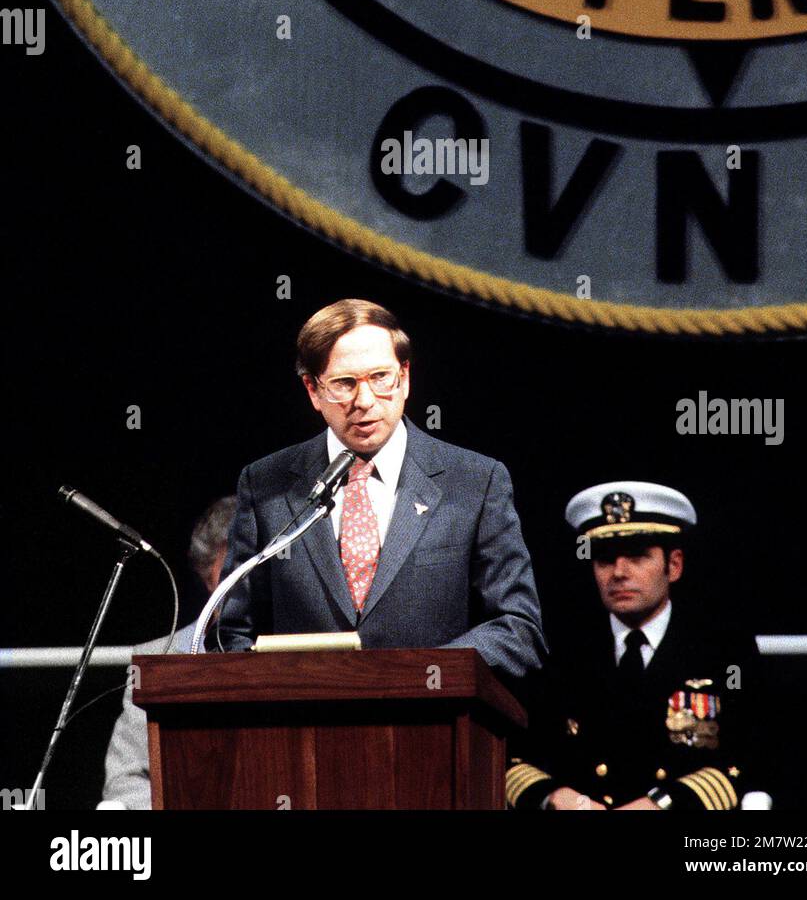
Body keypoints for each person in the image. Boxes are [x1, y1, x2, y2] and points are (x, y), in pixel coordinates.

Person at [216, 299, 545, 685]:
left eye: (380, 378)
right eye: (344, 384)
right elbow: (233, 633)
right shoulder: (266, 483)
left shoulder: (474, 482)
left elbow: (517, 629)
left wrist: (414, 677)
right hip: (303, 733)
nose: (365, 401)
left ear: (405, 377)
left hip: (433, 724)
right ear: (313, 390)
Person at [507, 481, 759, 811]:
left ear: (675, 565)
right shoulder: (559, 650)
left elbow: (752, 757)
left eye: (638, 556)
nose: (619, 573)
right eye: (605, 560)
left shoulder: (722, 650)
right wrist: (557, 799)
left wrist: (662, 806)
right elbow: (512, 755)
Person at [99, 496, 236, 810]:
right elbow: (127, 780)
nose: (246, 581)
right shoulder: (160, 659)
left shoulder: (302, 653)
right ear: (207, 575)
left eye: (257, 565)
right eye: (232, 569)